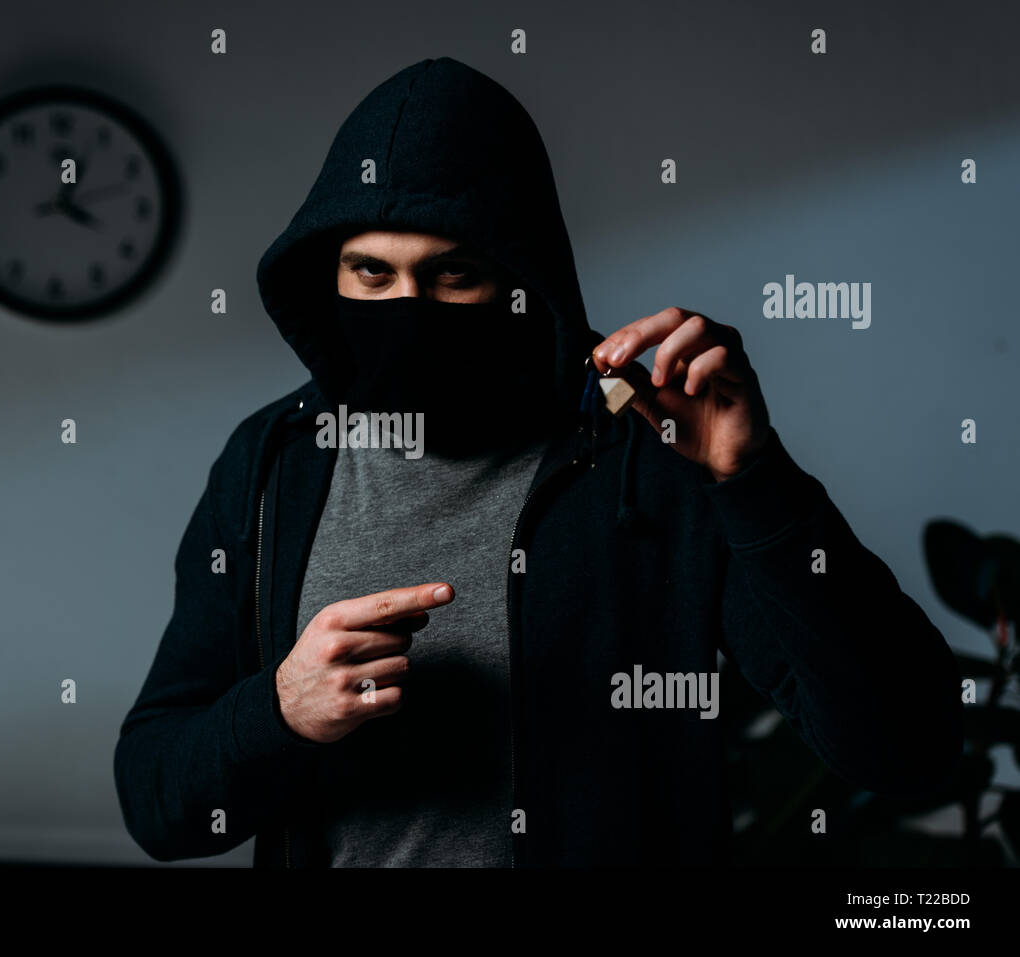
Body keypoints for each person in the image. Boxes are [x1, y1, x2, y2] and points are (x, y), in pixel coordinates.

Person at [113, 56, 963, 867]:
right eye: (371, 273)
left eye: (453, 276)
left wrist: (753, 479)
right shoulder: (272, 465)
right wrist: (280, 710)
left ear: (522, 280)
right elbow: (155, 800)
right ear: (325, 274)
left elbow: (909, 752)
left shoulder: (652, 452)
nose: (407, 310)